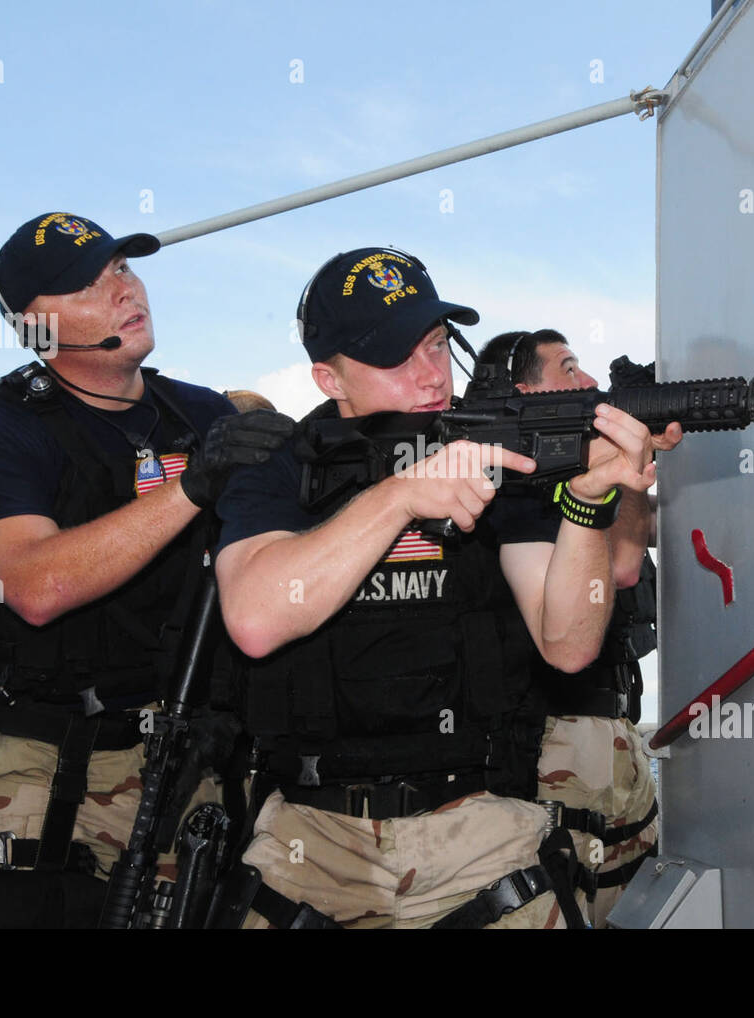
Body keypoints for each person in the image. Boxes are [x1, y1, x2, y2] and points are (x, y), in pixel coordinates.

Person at [212, 247, 656, 928]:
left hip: (480, 830)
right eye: (397, 357)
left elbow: (567, 645)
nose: (432, 376)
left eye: (439, 344)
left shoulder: (497, 458)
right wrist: (400, 496)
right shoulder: (280, 466)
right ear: (329, 378)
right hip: (312, 844)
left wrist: (589, 504)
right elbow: (256, 616)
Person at [0, 211, 291, 927]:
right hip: (41, 768)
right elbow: (33, 586)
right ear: (35, 328)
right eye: (89, 283)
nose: (125, 289)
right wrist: (192, 487)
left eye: (122, 267)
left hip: (191, 758)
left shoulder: (201, 414)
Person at [476, 328, 681, 927]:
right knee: (571, 900)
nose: (589, 383)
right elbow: (619, 567)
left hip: (608, 729)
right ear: (526, 392)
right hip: (555, 739)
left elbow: (631, 542)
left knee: (629, 901)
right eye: (568, 369)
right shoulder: (518, 487)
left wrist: (635, 460)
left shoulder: (579, 476)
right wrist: (628, 466)